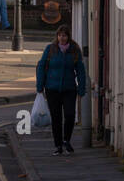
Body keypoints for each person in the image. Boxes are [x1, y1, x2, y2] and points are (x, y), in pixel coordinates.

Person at [36, 24, 86, 155]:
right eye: (59, 35)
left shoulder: (75, 50)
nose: (62, 38)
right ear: (57, 36)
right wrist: (40, 86)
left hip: (69, 89)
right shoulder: (50, 49)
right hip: (52, 89)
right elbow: (41, 67)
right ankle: (58, 146)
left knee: (70, 115)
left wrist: (81, 88)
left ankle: (66, 141)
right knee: (56, 118)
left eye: (64, 35)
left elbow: (80, 70)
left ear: (68, 37)